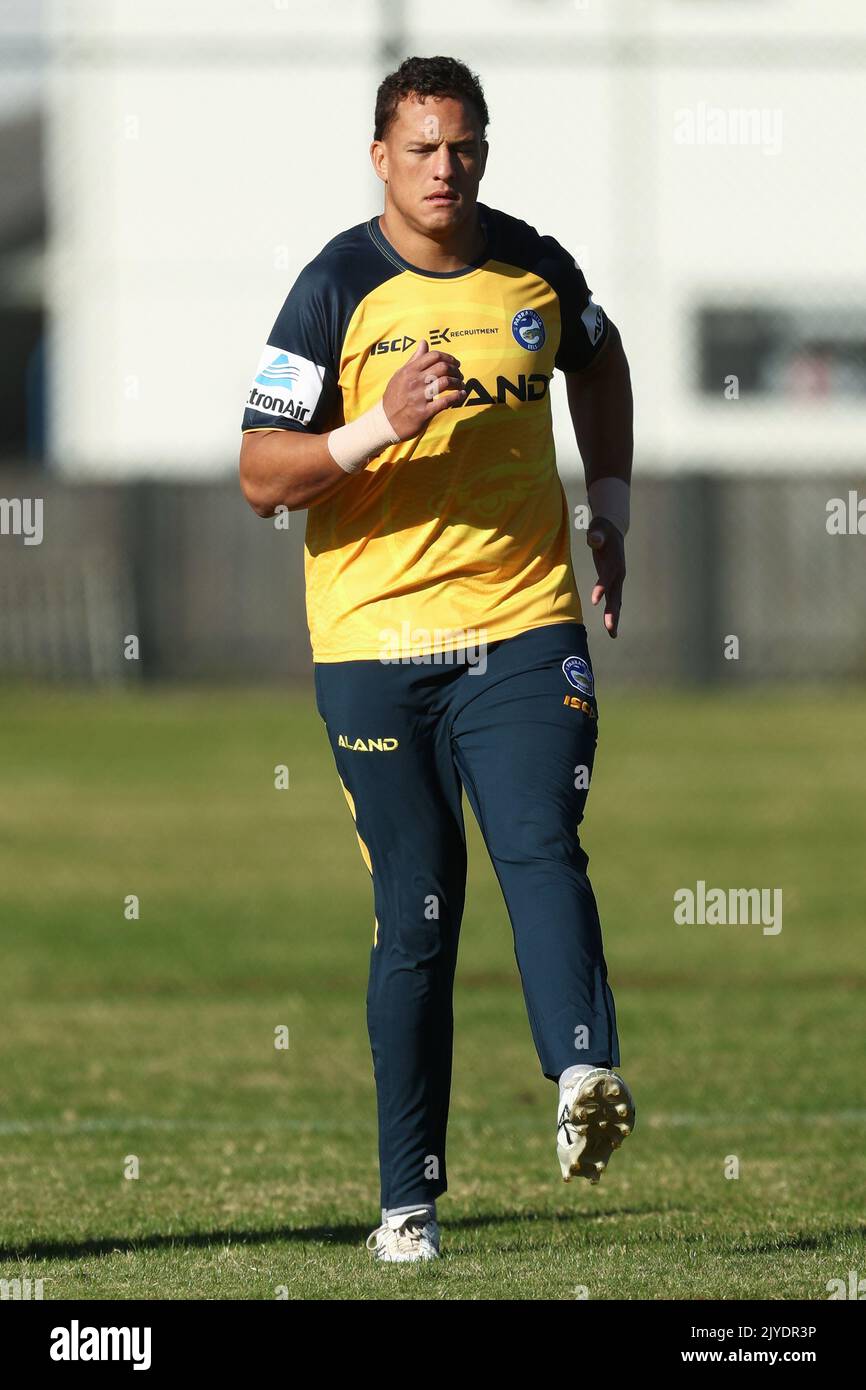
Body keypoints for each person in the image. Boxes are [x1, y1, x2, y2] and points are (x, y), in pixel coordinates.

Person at [239, 54, 635, 1264]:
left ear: (482, 151)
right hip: (373, 639)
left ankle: (580, 1073)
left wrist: (608, 504)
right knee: (418, 909)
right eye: (420, 148)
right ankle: (405, 1199)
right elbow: (261, 477)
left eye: (462, 146)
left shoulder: (534, 267)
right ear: (379, 157)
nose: (444, 168)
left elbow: (599, 359)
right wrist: (378, 425)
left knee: (537, 839)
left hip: (519, 625)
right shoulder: (331, 288)